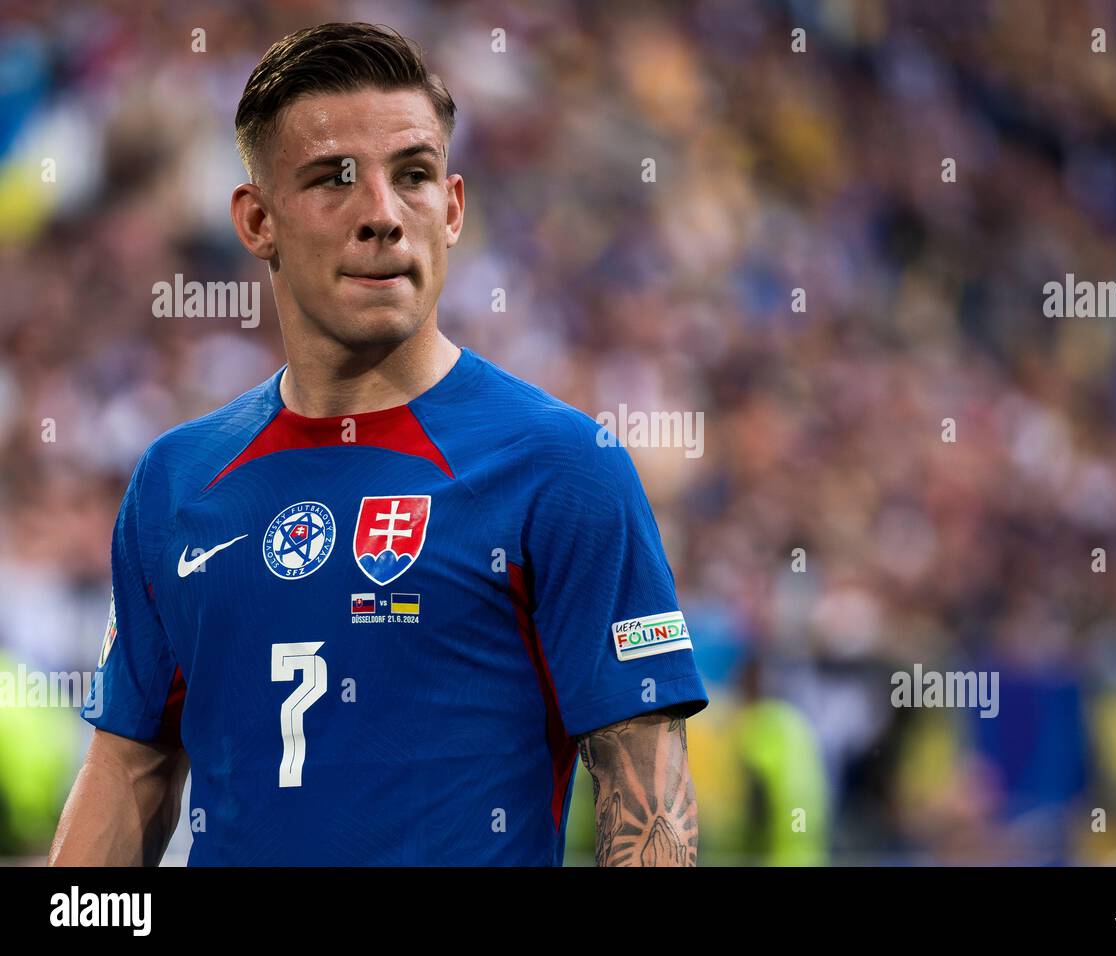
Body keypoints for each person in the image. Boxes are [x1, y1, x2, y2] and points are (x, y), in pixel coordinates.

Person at [48, 22, 708, 866]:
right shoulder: (175, 481)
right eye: (334, 181)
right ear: (257, 221)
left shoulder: (566, 469)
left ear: (454, 207)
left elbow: (646, 804)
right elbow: (128, 770)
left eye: (415, 177)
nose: (383, 217)